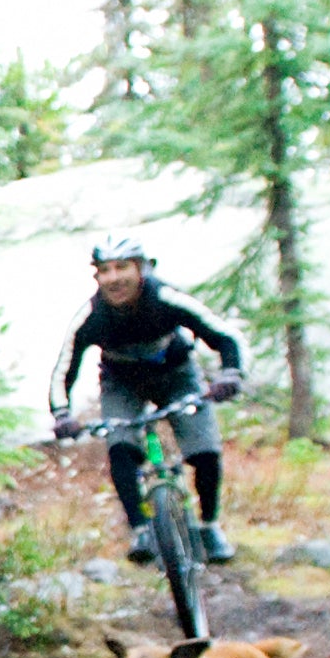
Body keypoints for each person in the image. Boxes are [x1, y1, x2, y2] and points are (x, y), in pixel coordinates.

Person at [54, 234, 245, 565]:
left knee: (204, 450)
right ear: (96, 277)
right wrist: (61, 413)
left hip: (177, 376)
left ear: (141, 269)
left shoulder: (165, 298)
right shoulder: (91, 316)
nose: (113, 278)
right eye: (104, 270)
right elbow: (63, 370)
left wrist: (231, 375)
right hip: (121, 384)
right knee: (121, 448)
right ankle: (141, 530)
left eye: (122, 267)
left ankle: (209, 526)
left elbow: (224, 337)